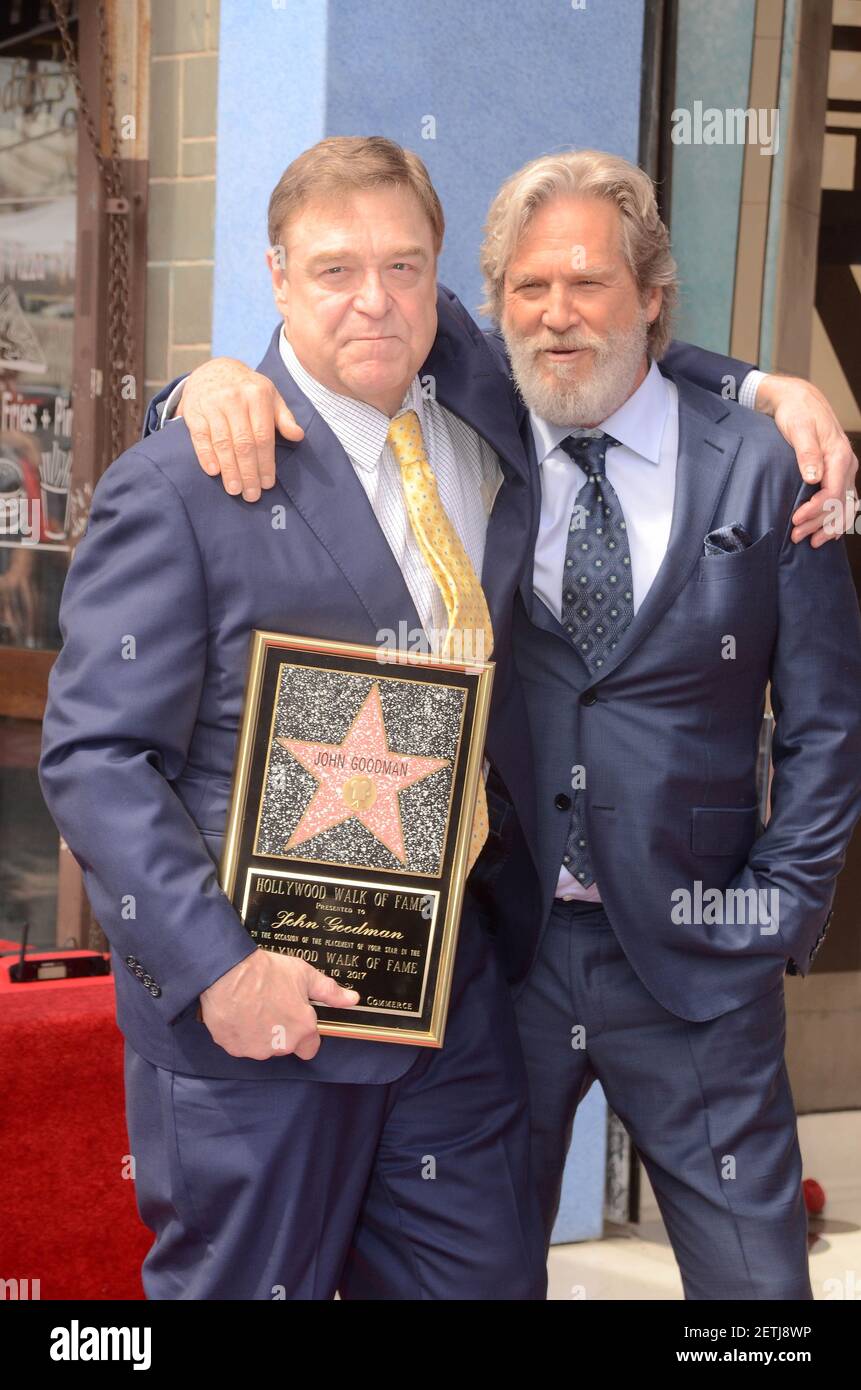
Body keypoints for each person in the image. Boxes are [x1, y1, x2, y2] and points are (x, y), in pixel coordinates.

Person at [161, 142, 861, 1300]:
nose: (557, 314)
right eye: (527, 290)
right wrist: (196, 383)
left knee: (760, 1300)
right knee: (475, 1272)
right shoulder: (475, 436)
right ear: (490, 311)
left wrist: (780, 912)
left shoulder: (763, 468)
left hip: (699, 965)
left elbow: (828, 726)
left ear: (649, 297)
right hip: (502, 963)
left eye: (589, 284)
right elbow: (329, 335)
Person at [39, 137, 550, 1301]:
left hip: (450, 1008)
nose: (375, 298)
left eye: (405, 266)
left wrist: (762, 389)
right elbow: (95, 758)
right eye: (334, 270)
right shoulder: (181, 484)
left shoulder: (476, 418)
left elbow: (612, 345)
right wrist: (218, 968)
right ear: (275, 277)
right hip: (264, 1021)